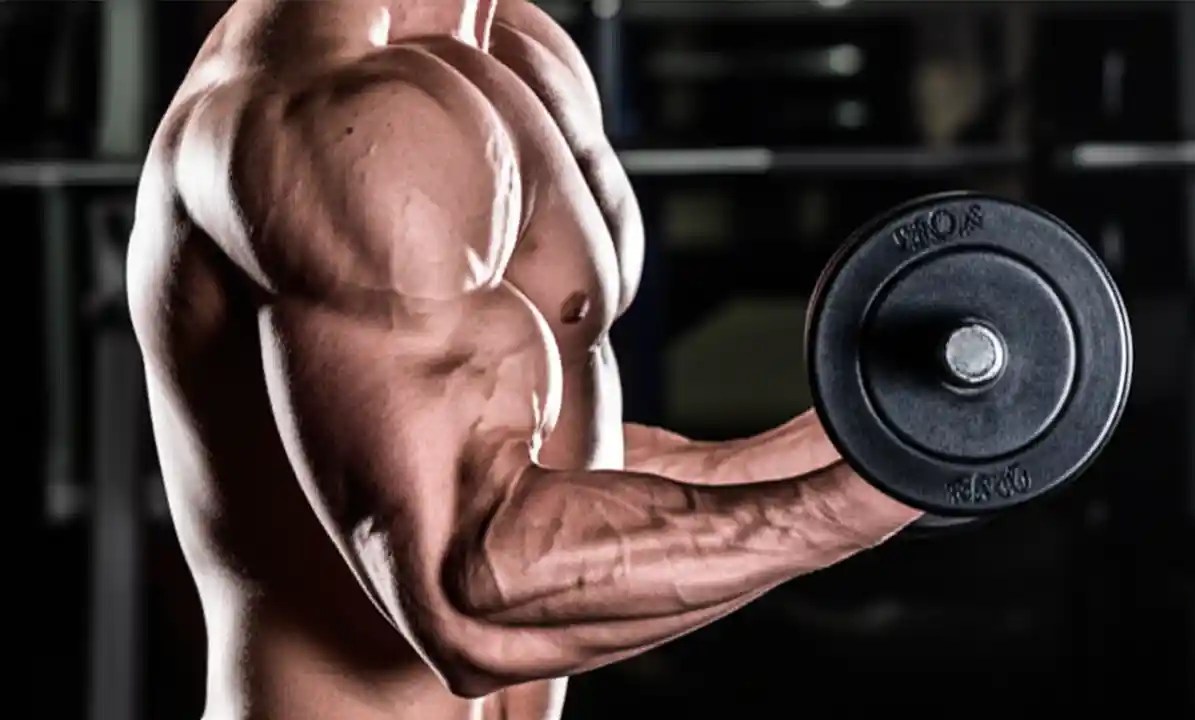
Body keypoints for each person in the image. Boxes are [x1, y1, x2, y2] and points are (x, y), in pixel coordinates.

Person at [126, 1, 922, 717]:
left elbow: (555, 477)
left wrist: (893, 440)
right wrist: (858, 500)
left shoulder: (521, 55)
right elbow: (469, 591)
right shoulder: (345, 112)